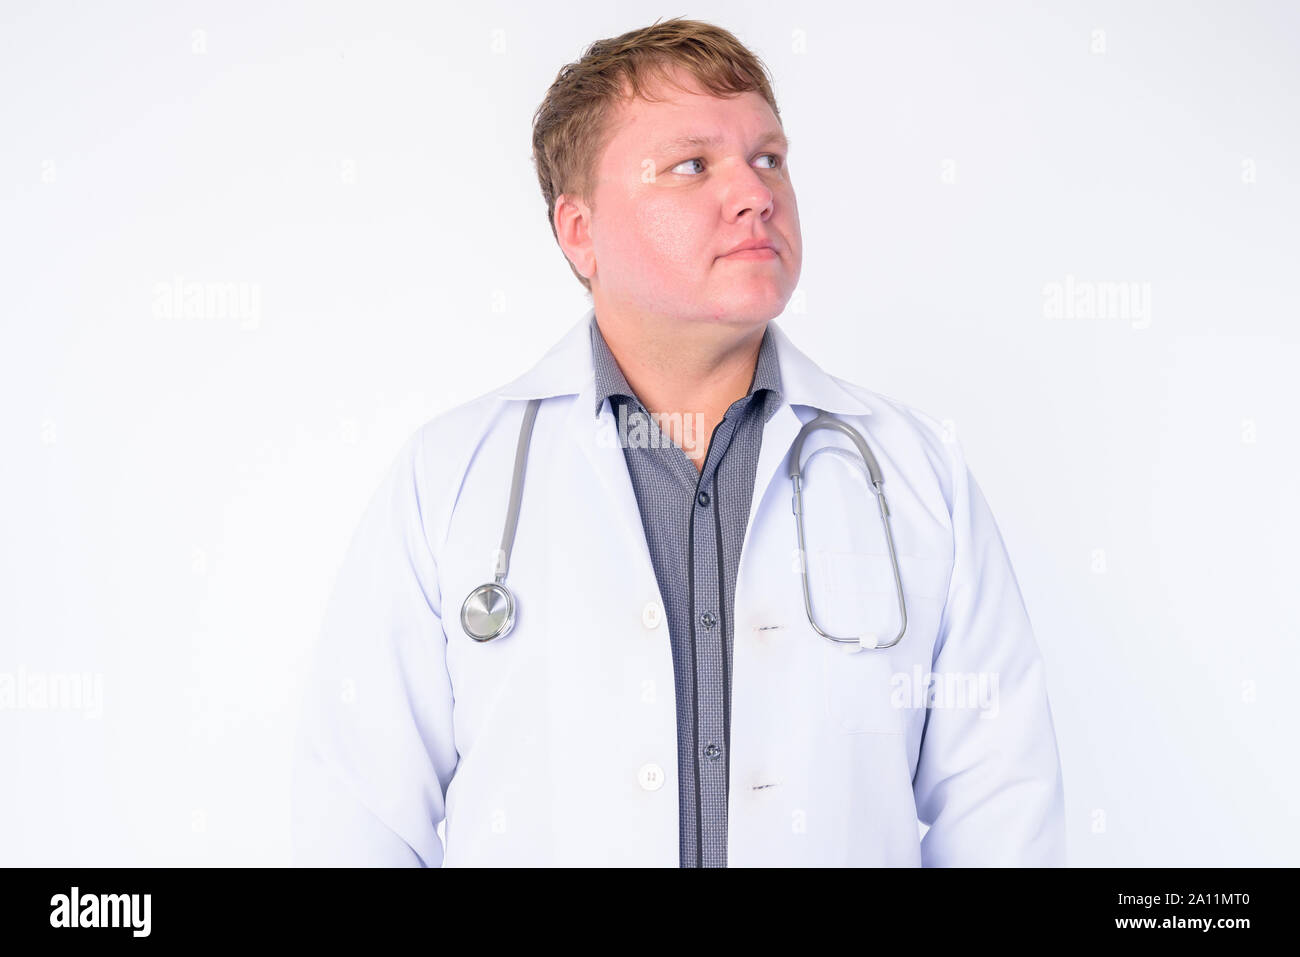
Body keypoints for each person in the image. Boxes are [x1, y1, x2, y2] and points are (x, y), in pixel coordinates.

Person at [291, 17, 1066, 867]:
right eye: (693, 165)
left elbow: (1002, 813)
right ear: (579, 231)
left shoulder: (920, 476)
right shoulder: (450, 479)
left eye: (768, 158)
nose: (755, 193)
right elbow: (360, 819)